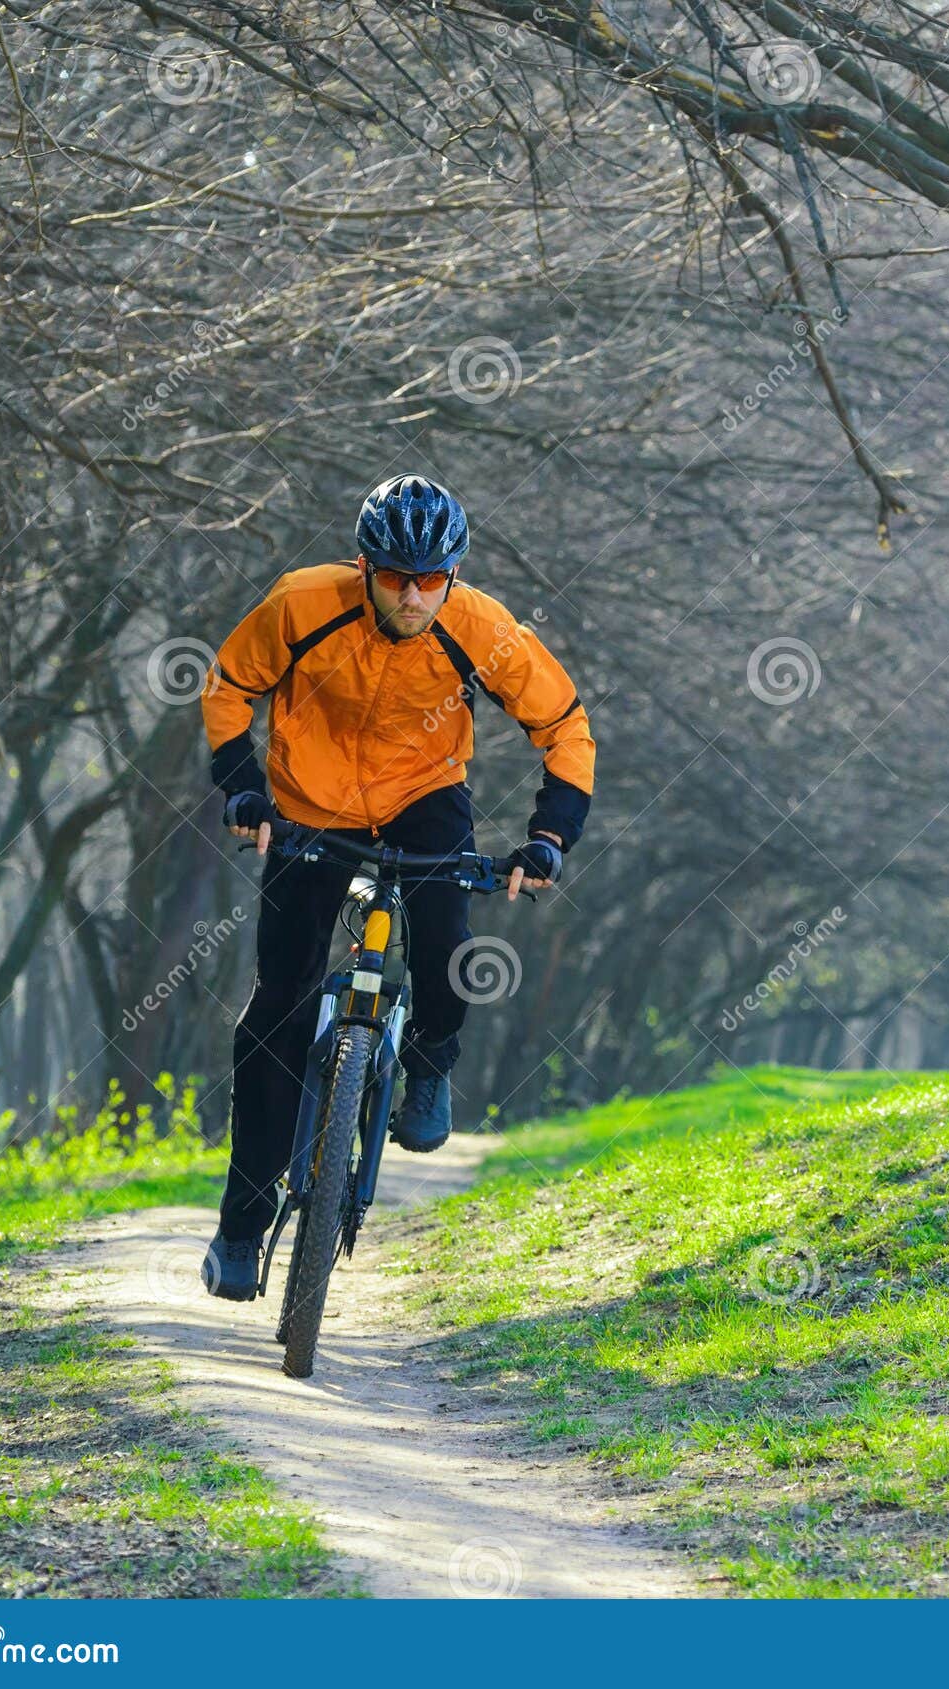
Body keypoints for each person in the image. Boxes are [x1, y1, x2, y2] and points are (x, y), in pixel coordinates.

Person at [198, 475, 594, 1300]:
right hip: (311, 807)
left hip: (423, 797)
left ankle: (430, 1060)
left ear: (453, 573)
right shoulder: (301, 604)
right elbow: (230, 687)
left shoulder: (479, 626)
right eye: (394, 577)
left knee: (449, 941)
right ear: (364, 565)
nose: (413, 597)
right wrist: (242, 789)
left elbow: (563, 724)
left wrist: (548, 839)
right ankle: (241, 1225)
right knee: (277, 1009)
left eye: (431, 579)